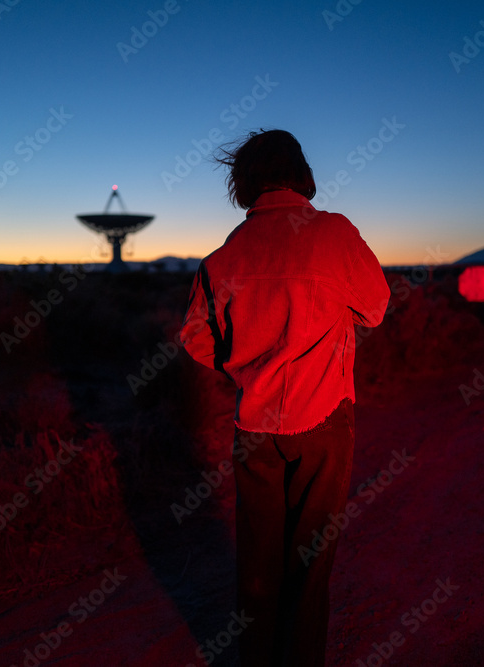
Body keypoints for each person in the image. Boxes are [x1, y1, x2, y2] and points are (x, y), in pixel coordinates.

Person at [179, 129, 391, 666]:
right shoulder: (335, 234)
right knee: (310, 564)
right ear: (302, 175)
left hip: (255, 427)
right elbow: (375, 306)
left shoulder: (225, 256)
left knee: (258, 566)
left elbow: (195, 338)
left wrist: (247, 367)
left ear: (244, 183)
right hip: (324, 420)